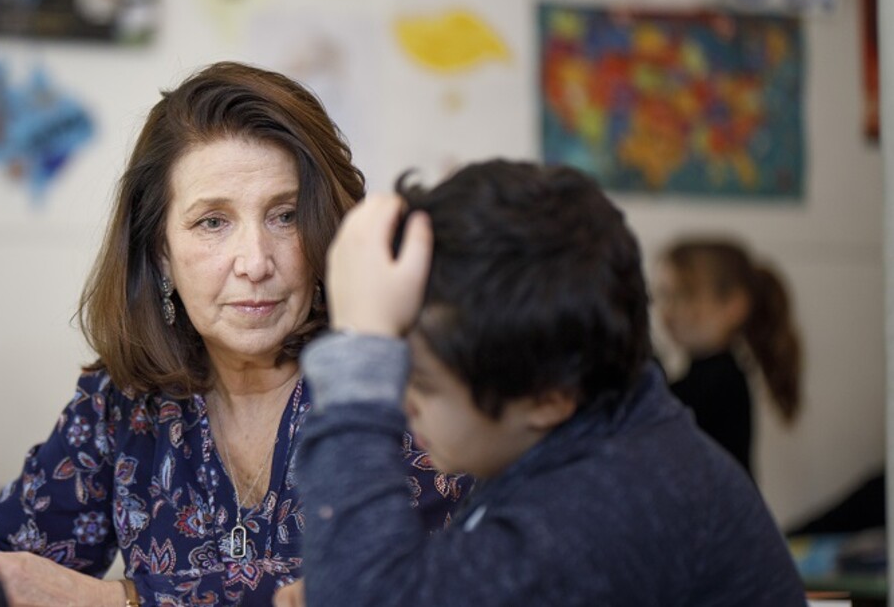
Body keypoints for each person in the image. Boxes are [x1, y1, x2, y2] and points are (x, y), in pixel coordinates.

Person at [0, 62, 469, 607]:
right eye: (213, 222)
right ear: (161, 254)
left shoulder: (401, 385)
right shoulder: (121, 402)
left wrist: (112, 601)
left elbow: (367, 589)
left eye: (286, 216)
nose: (255, 262)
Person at [297, 160, 806, 605]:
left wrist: (362, 349)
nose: (403, 403)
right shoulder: (604, 435)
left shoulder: (615, 506)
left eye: (423, 383)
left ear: (550, 397)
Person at [655, 239, 802, 476]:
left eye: (684, 295)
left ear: (734, 305)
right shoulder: (706, 379)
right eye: (664, 296)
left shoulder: (721, 383)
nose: (668, 311)